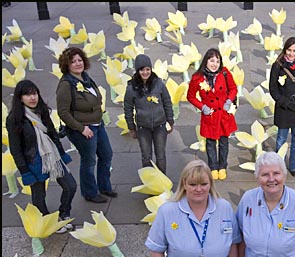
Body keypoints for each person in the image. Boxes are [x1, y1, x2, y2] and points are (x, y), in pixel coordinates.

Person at [7, 80, 77, 233]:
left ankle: (64, 213)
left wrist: (61, 152)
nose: (32, 97)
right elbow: (15, 148)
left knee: (70, 186)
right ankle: (47, 221)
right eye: (27, 94)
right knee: (39, 195)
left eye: (34, 93)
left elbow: (52, 133)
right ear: (20, 98)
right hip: (34, 161)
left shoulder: (42, 111)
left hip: (53, 157)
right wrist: (24, 171)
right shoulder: (14, 119)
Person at [56, 47, 116, 203]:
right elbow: (63, 112)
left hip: (97, 124)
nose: (77, 64)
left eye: (80, 60)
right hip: (83, 129)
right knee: (89, 160)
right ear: (67, 65)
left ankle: (104, 186)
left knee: (106, 154)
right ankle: (90, 192)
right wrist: (82, 129)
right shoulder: (66, 85)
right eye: (73, 61)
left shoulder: (86, 78)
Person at [187, 48, 237, 181]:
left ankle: (223, 166)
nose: (214, 64)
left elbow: (233, 88)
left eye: (217, 61)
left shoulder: (224, 73)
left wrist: (229, 100)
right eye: (212, 60)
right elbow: (190, 96)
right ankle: (213, 167)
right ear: (206, 61)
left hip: (223, 114)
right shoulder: (197, 78)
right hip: (210, 115)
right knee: (210, 142)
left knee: (224, 142)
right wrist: (202, 106)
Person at [269, 37, 295, 177]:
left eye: (294, 51)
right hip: (284, 108)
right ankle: (279, 166)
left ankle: (293, 165)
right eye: (289, 50)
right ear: (285, 49)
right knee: (281, 137)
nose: (291, 54)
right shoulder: (277, 66)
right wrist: (286, 103)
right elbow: (273, 89)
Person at [124, 54, 174, 174]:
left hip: (160, 126)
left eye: (148, 69)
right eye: (142, 69)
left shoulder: (159, 84)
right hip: (143, 127)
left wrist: (170, 121)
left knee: (161, 155)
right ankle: (150, 182)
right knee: (146, 157)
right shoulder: (132, 88)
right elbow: (128, 109)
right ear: (137, 71)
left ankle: (162, 182)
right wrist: (131, 127)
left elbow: (167, 102)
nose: (145, 72)